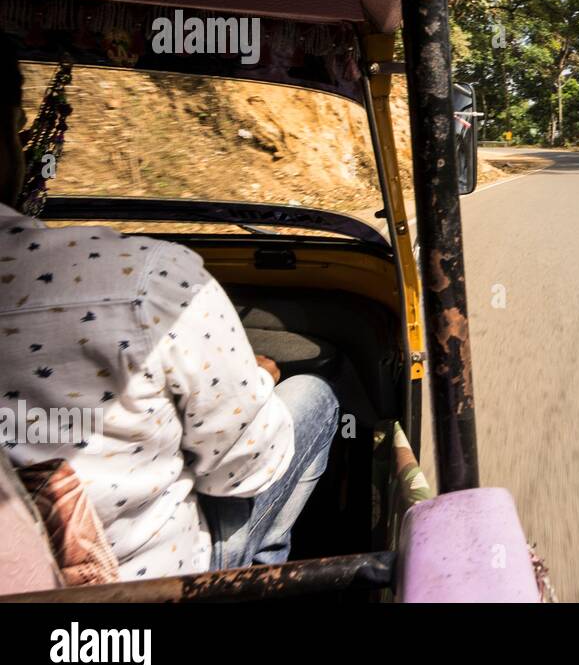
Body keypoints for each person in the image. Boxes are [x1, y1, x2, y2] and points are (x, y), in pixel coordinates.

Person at [0, 49, 338, 579]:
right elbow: (245, 470)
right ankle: (256, 584)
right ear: (8, 143)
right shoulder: (148, 280)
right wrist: (256, 383)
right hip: (142, 588)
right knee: (312, 400)